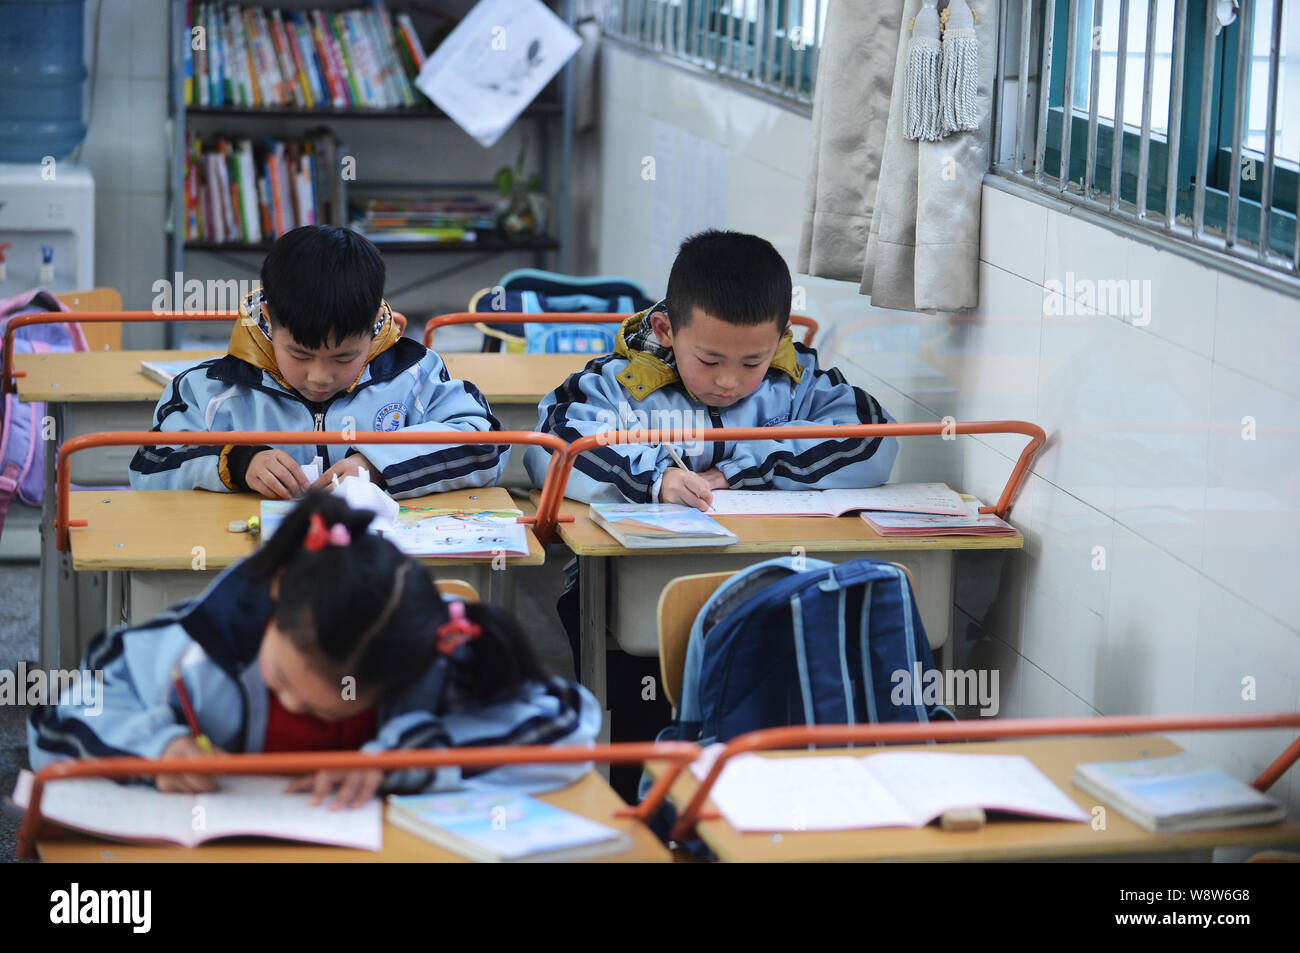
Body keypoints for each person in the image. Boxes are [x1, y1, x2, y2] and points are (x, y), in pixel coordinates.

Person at [28, 493, 600, 805]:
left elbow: (568, 721)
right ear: (276, 599)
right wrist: (156, 746)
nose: (294, 710)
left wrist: (410, 758)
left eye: (328, 708)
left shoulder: (427, 660)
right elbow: (60, 715)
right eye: (280, 682)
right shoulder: (201, 649)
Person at [523, 229, 898, 507]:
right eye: (709, 360)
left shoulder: (800, 383)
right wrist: (655, 481)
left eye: (753, 361)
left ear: (781, 338)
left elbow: (873, 440)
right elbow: (555, 449)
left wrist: (739, 474)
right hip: (635, 568)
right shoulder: (617, 387)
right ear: (665, 330)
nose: (728, 381)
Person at [130, 225, 507, 499]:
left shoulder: (414, 375)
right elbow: (149, 467)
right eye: (299, 354)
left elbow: (487, 445)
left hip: (378, 571)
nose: (320, 376)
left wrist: (378, 464)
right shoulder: (212, 386)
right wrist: (237, 464)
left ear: (375, 321)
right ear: (268, 317)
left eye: (344, 357)